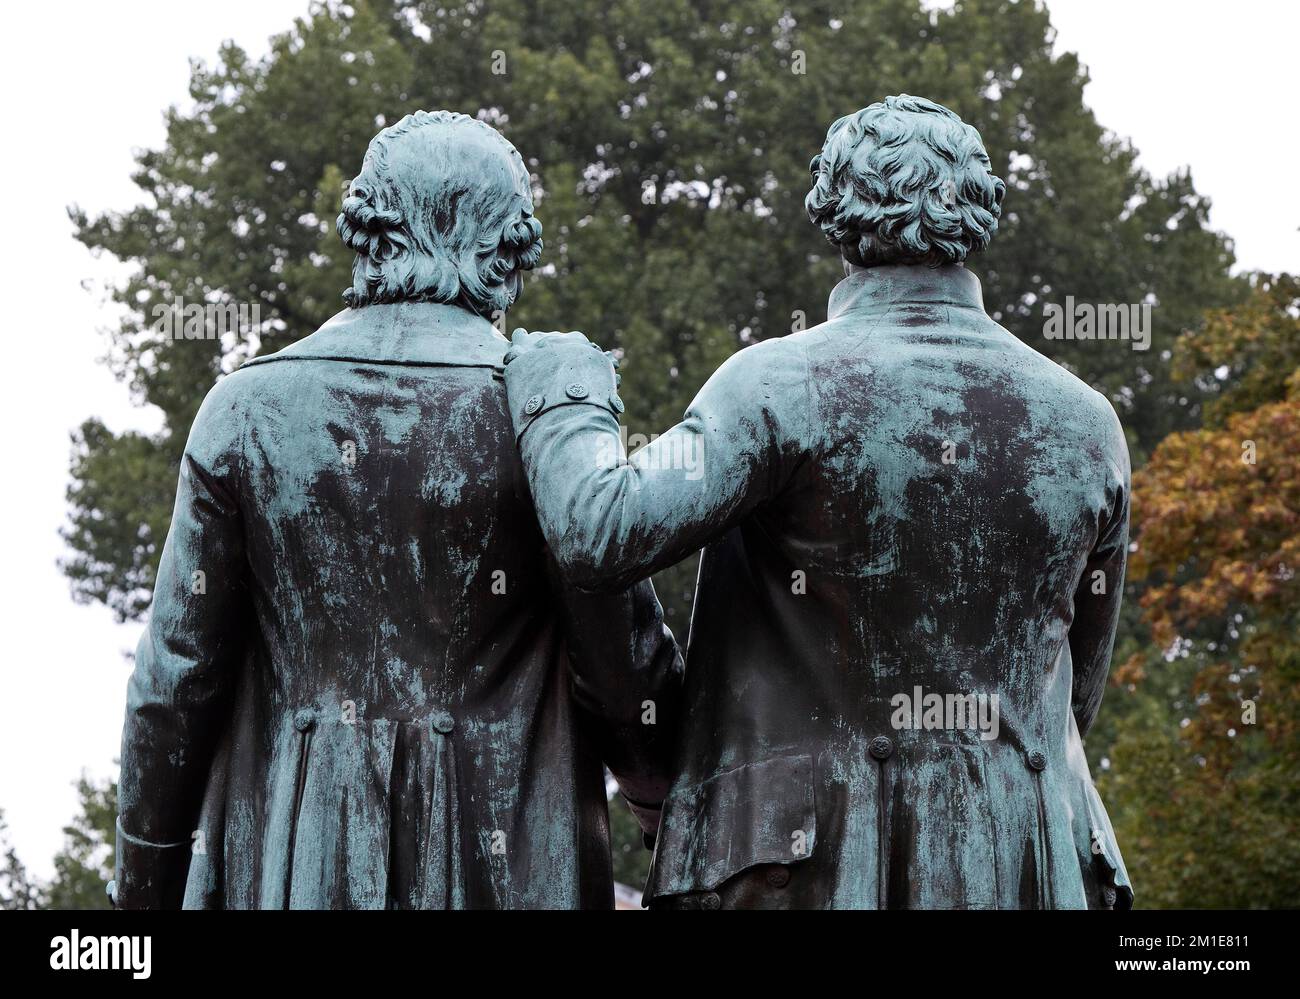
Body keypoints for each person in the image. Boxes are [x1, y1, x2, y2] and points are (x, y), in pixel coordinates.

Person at [502, 95, 1132, 909]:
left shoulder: (781, 384)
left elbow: (599, 530)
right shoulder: (1087, 424)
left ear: (835, 213)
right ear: (980, 211)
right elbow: (1073, 690)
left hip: (797, 864)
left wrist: (566, 385)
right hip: (1026, 859)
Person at [111, 110, 681, 910]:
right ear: (507, 250)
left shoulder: (242, 410)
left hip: (293, 866)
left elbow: (173, 685)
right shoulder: (539, 421)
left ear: (369, 232)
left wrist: (142, 887)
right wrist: (662, 799)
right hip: (514, 868)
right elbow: (623, 673)